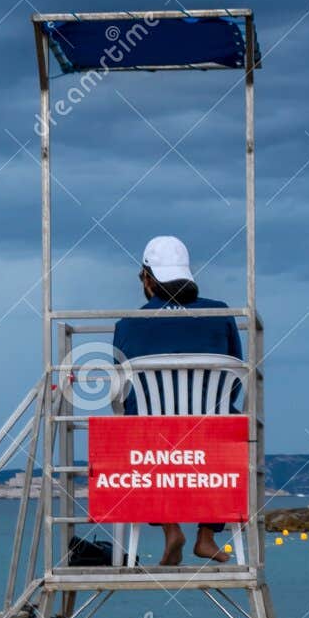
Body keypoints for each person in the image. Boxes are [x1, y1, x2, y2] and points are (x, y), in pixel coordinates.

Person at [112, 235, 243, 567]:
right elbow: (236, 373)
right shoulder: (220, 313)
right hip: (211, 438)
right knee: (229, 421)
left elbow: (121, 390)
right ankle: (207, 536)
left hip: (151, 442)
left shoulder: (128, 323)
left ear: (147, 278)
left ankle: (171, 531)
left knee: (134, 434)